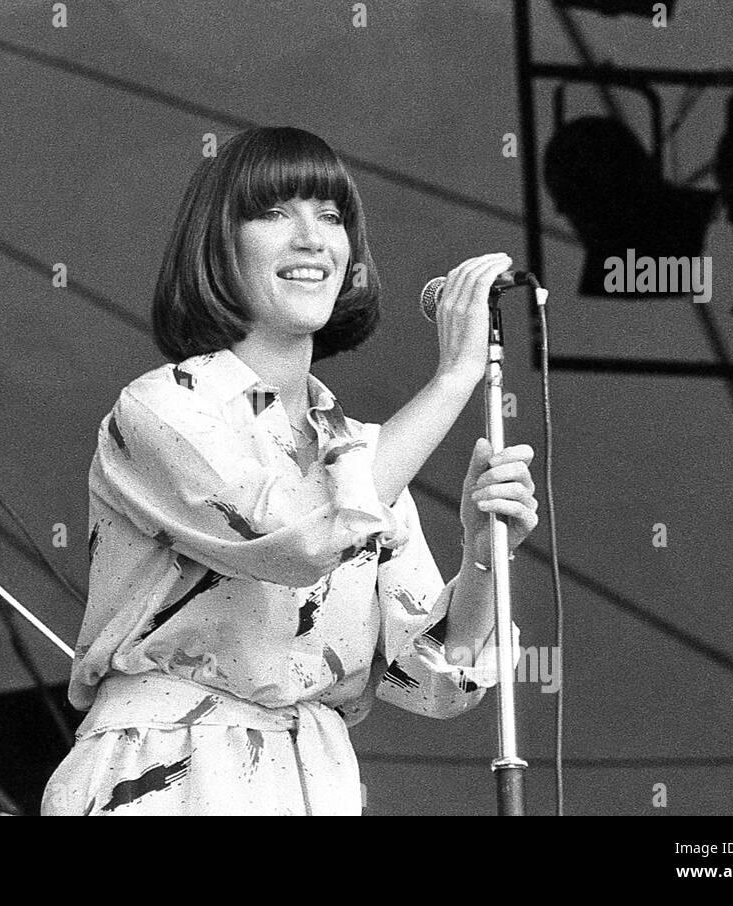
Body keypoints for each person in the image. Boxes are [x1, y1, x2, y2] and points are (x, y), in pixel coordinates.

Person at [42, 126, 538, 816]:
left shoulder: (360, 455)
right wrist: (454, 377)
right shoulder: (161, 409)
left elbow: (432, 682)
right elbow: (300, 535)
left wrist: (483, 559)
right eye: (274, 212)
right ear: (218, 243)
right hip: (167, 775)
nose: (314, 239)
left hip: (313, 781)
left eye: (331, 216)